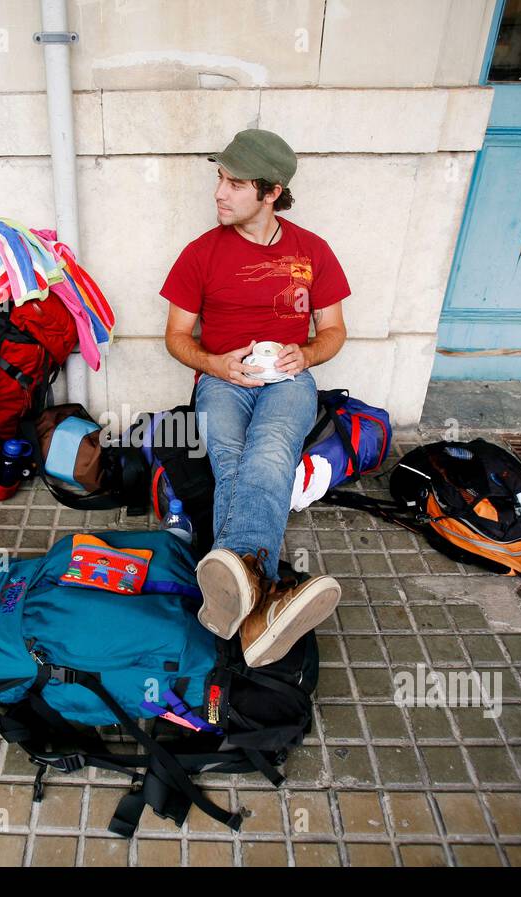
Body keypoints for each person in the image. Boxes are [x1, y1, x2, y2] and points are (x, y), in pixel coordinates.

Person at [159, 128, 349, 668]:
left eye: (235, 183)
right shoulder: (200, 253)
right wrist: (214, 364)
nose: (219, 192)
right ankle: (263, 602)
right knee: (231, 461)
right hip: (222, 379)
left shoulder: (312, 250)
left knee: (268, 454)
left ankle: (238, 586)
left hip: (288, 380)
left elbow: (334, 329)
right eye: (219, 178)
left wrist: (306, 355)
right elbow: (176, 337)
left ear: (271, 192)